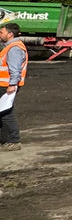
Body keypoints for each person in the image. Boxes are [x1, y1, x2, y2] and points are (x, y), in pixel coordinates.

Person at [0, 21, 28, 149]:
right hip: (5, 84)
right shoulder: (10, 47)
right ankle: (6, 139)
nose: (0, 34)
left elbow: (15, 69)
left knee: (6, 112)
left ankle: (14, 141)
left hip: (6, 86)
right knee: (3, 112)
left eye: (1, 32)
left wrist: (12, 84)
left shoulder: (14, 48)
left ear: (10, 34)